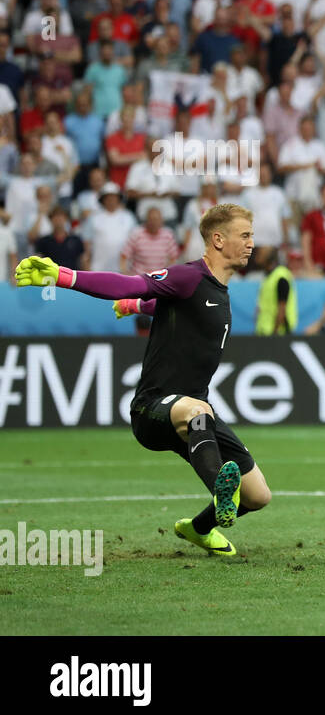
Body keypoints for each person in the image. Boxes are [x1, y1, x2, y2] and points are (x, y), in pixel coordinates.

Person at [13, 204, 272, 557]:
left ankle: (198, 529)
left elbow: (167, 306)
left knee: (258, 495)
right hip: (152, 410)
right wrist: (64, 276)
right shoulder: (188, 276)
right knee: (198, 408)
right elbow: (132, 283)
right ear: (217, 239)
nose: (251, 244)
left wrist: (137, 307)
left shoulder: (215, 290)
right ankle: (220, 489)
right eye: (244, 235)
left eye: (251, 236)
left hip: (196, 415)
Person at [254, 248, 297, 335]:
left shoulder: (281, 277)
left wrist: (275, 331)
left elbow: (282, 306)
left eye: (260, 254)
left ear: (268, 258)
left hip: (278, 333)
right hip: (264, 331)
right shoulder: (269, 276)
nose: (256, 257)